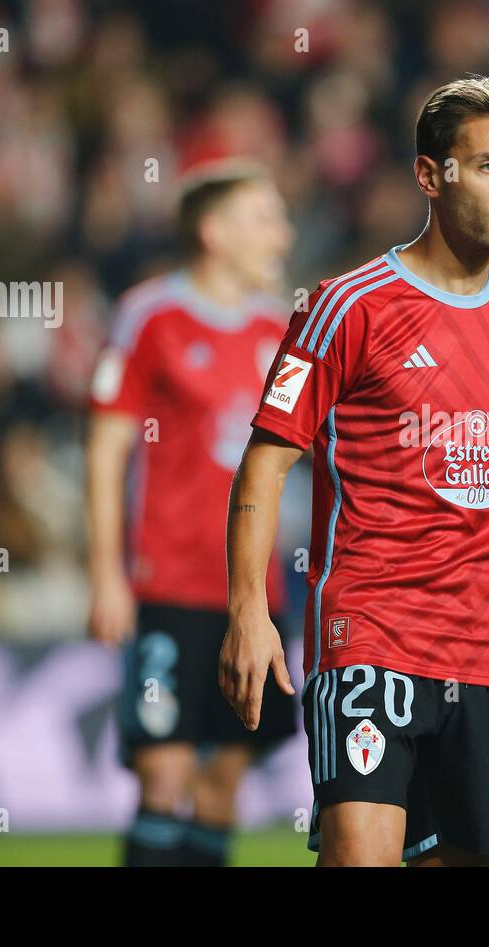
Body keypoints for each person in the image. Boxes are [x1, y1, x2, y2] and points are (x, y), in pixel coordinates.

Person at [219, 75, 489, 867]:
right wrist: (248, 609)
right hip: (368, 635)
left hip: (482, 648)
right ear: (431, 176)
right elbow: (264, 463)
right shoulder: (346, 307)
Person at [86, 160, 297, 866]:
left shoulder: (280, 328)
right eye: (265, 218)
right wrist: (107, 576)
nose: (283, 234)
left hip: (254, 596)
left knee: (222, 786)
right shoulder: (150, 317)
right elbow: (106, 450)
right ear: (214, 231)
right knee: (165, 774)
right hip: (168, 584)